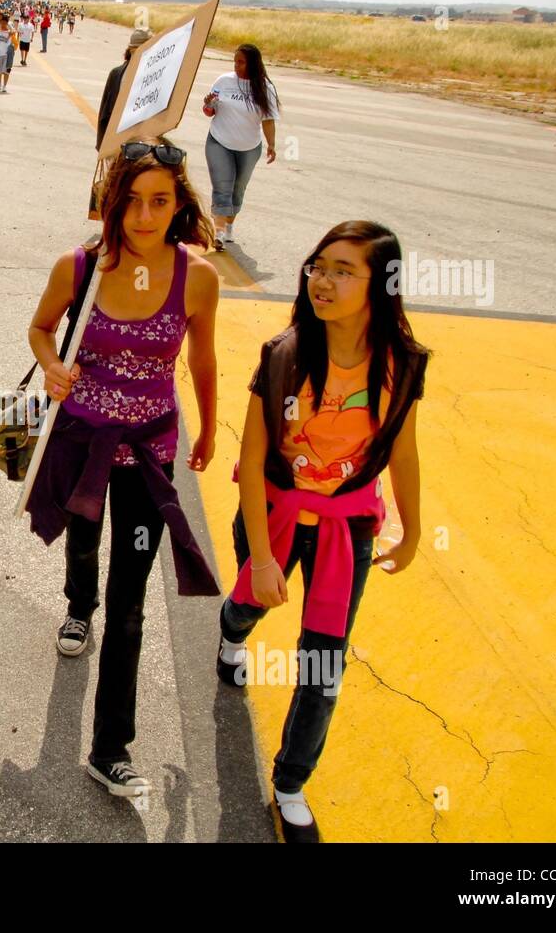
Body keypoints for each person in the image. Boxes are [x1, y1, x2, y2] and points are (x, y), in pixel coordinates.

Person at [218, 221, 428, 842]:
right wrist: (260, 559)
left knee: (322, 665)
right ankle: (231, 639)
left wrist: (412, 531)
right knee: (248, 607)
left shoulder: (403, 365)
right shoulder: (283, 355)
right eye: (318, 266)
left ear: (380, 284)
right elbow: (252, 461)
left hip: (346, 530)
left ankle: (289, 784)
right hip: (274, 518)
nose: (323, 281)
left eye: (342, 270)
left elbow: (405, 453)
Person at [26, 138, 220, 797]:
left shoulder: (197, 277)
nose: (143, 216)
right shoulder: (79, 267)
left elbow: (202, 359)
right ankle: (79, 605)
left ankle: (111, 746)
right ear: (112, 202)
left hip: (150, 451)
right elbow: (40, 329)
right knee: (84, 545)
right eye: (131, 201)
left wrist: (212, 423)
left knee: (132, 601)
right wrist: (53, 366)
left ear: (178, 203)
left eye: (159, 201)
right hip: (82, 441)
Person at [202, 44, 279, 248]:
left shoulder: (265, 88)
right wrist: (209, 104)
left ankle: (228, 225)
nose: (236, 66)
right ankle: (218, 233)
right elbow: (210, 111)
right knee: (222, 186)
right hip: (219, 141)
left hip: (249, 147)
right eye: (235, 61)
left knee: (237, 191)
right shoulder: (224, 81)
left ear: (252, 64)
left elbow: (268, 120)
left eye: (241, 62)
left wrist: (271, 144)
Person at [97, 29, 152, 149]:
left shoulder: (155, 76)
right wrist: (102, 144)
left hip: (145, 139)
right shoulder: (117, 74)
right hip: (119, 138)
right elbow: (105, 111)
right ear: (133, 50)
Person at [0, 14, 17, 93]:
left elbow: (15, 42)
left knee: (6, 71)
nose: (3, 24)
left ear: (7, 23)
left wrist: (11, 51)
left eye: (4, 23)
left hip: (6, 55)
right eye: (1, 22)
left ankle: (4, 86)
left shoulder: (10, 32)